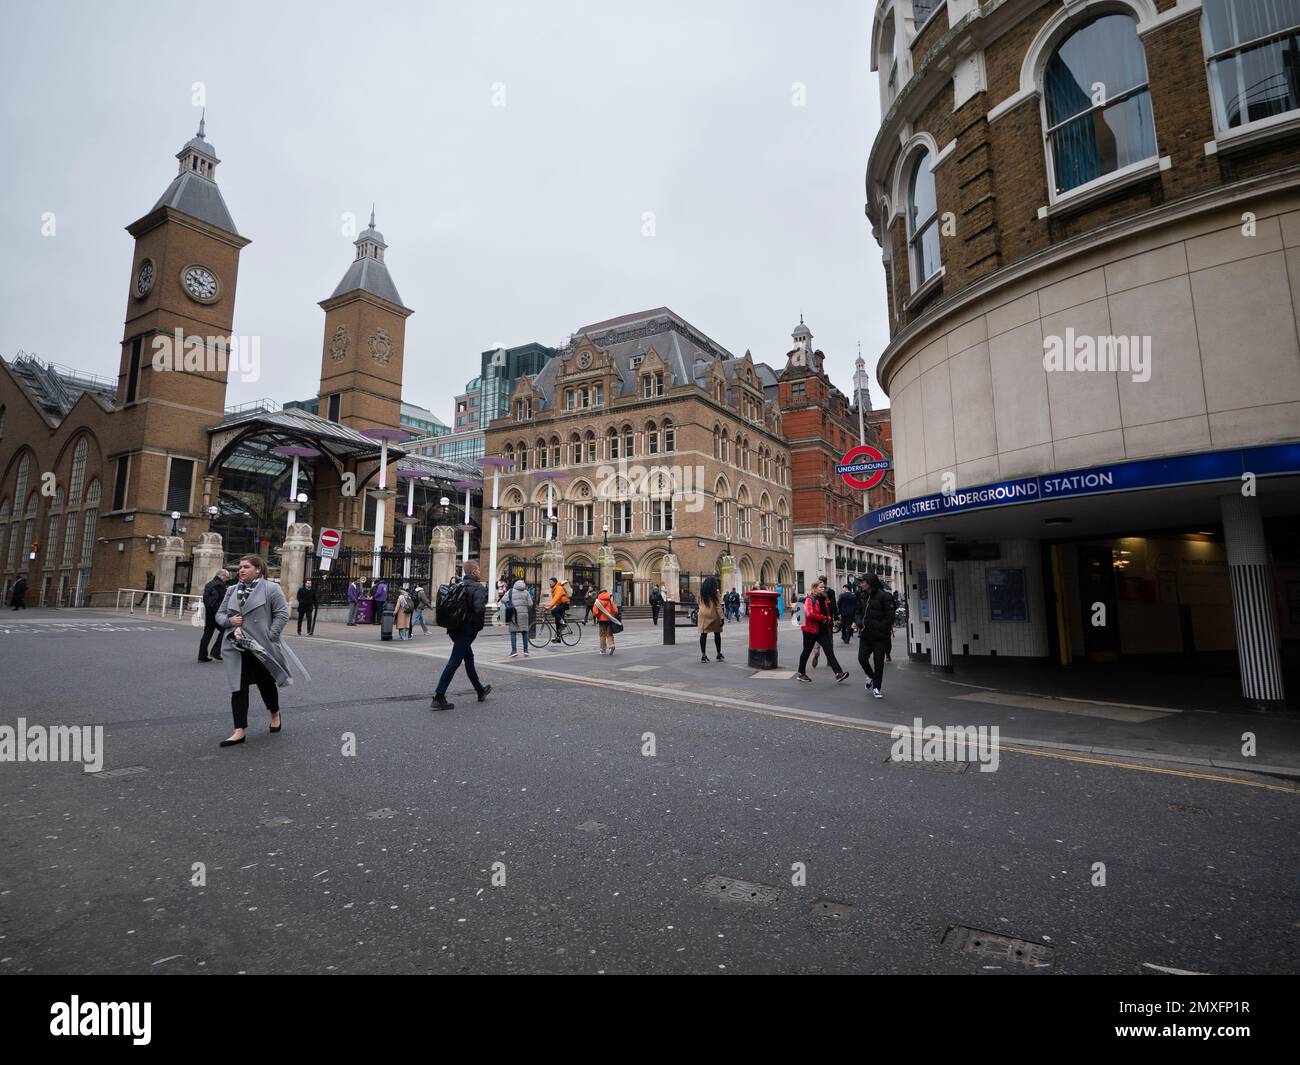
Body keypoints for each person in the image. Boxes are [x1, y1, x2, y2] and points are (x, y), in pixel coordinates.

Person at [216, 554, 308, 747]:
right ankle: (239, 730)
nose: (241, 570)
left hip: (260, 646)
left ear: (258, 569)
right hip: (236, 645)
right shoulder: (232, 590)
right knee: (238, 687)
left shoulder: (271, 589)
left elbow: (282, 614)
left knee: (266, 683)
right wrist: (229, 621)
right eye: (240, 567)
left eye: (246, 567)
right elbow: (220, 614)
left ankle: (275, 713)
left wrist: (270, 636)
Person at [431, 560, 490, 711]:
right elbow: (479, 610)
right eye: (477, 569)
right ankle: (439, 697)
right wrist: (475, 628)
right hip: (466, 630)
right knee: (455, 661)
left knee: (468, 659)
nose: (478, 572)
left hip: (453, 628)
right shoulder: (478, 588)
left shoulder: (458, 585)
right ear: (473, 571)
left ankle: (480, 690)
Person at [795, 579, 850, 684]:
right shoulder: (809, 599)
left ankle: (839, 673)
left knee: (829, 651)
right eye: (821, 587)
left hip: (822, 630)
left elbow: (827, 612)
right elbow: (809, 614)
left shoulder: (823, 599)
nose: (823, 588)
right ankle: (801, 673)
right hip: (810, 630)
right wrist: (823, 618)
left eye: (823, 587)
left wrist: (829, 618)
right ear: (815, 588)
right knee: (806, 652)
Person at [856, 573, 896, 699]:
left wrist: (880, 627)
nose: (861, 584)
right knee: (862, 658)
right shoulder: (862, 596)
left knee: (879, 663)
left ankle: (877, 687)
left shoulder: (885, 596)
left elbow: (890, 616)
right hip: (865, 635)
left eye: (863, 582)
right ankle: (870, 675)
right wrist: (859, 622)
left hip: (880, 636)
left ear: (869, 583)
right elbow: (857, 612)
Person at [198, 568, 230, 662]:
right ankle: (215, 651)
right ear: (222, 576)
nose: (227, 579)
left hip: (208, 613)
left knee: (207, 634)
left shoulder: (209, 584)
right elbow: (224, 600)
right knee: (225, 630)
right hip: (216, 613)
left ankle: (202, 655)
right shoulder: (220, 585)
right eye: (227, 577)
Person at [696, 575, 725, 662]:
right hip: (713, 614)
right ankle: (718, 654)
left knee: (703, 634)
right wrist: (722, 617)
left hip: (702, 614)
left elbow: (698, 601)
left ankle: (703, 655)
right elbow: (718, 606)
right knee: (717, 633)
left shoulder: (701, 592)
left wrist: (702, 608)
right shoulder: (715, 592)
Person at [506, 578, 533, 657]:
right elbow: (530, 604)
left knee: (513, 632)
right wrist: (525, 609)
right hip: (524, 614)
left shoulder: (510, 591)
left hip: (513, 614)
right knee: (524, 632)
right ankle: (526, 651)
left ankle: (514, 651)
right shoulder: (526, 592)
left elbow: (503, 601)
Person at [592, 587, 619, 655]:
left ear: (600, 593)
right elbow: (616, 610)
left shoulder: (598, 601)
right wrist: (612, 615)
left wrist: (598, 616)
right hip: (610, 620)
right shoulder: (610, 601)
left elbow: (595, 612)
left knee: (602, 635)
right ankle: (611, 645)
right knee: (609, 634)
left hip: (602, 620)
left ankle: (602, 650)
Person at [546, 577, 570, 643]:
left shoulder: (559, 588)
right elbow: (555, 601)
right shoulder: (554, 589)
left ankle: (563, 623)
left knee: (554, 611)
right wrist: (550, 606)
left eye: (551, 582)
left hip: (565, 604)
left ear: (555, 582)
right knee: (557, 621)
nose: (550, 583)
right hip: (560, 604)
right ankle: (558, 638)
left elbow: (556, 598)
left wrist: (549, 606)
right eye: (549, 582)